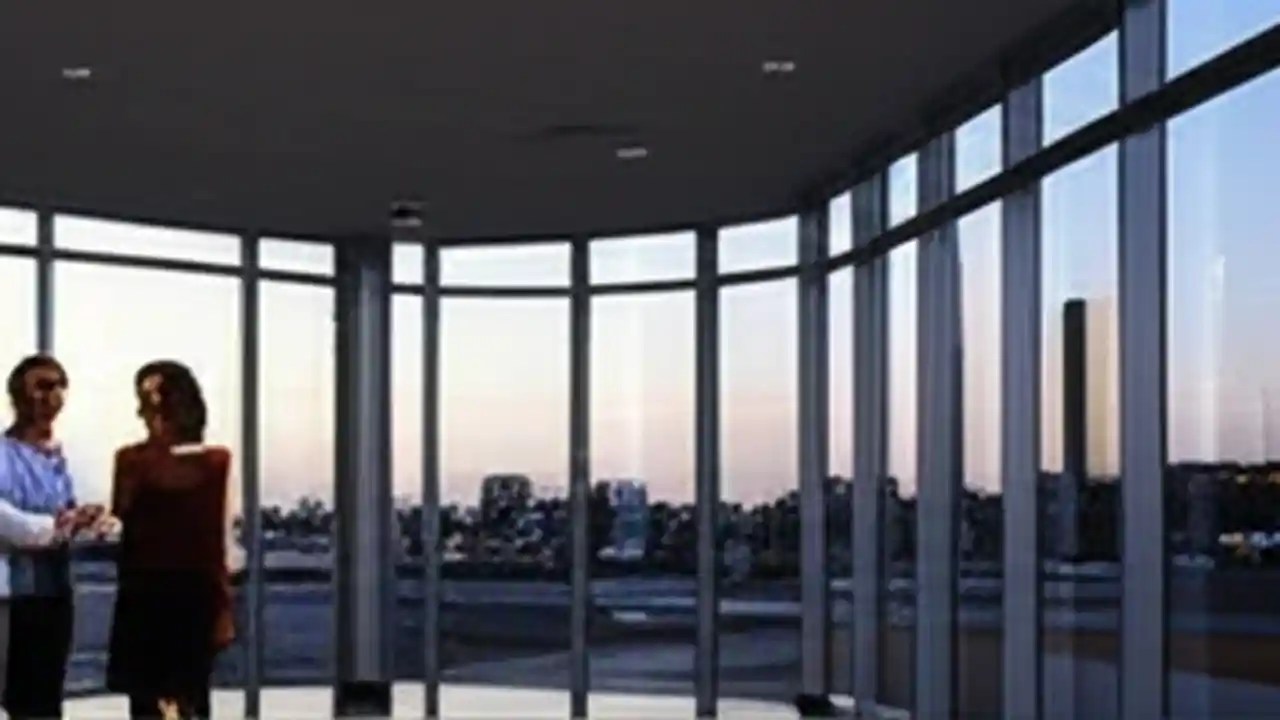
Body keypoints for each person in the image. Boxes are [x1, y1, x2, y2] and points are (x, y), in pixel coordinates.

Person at [106, 361, 238, 720]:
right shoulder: (131, 461)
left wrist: (223, 606)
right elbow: (120, 524)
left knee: (190, 700)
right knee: (148, 703)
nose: (145, 411)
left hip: (192, 596)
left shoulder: (214, 462)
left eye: (155, 400)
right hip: (146, 595)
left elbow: (221, 542)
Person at [0, 354, 103, 719]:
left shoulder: (57, 459)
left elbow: (61, 521)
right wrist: (66, 524)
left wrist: (85, 523)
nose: (52, 396)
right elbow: (14, 526)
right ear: (18, 395)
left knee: (44, 701)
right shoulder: (2, 455)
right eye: (42, 386)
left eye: (59, 386)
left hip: (54, 596)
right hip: (13, 599)